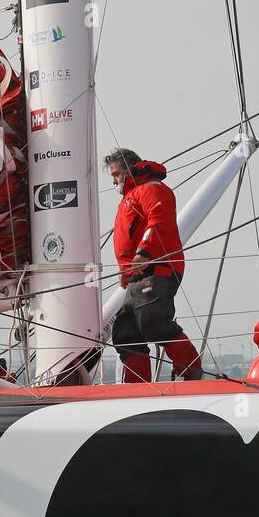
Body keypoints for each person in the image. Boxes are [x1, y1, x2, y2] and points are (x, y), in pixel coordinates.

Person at [105, 147, 203, 382]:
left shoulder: (150, 189)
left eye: (116, 174)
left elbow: (158, 218)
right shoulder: (132, 196)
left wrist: (144, 252)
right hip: (138, 273)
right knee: (126, 332)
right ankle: (138, 385)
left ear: (129, 170)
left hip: (157, 267)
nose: (113, 181)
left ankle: (192, 373)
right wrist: (125, 270)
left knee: (154, 321)